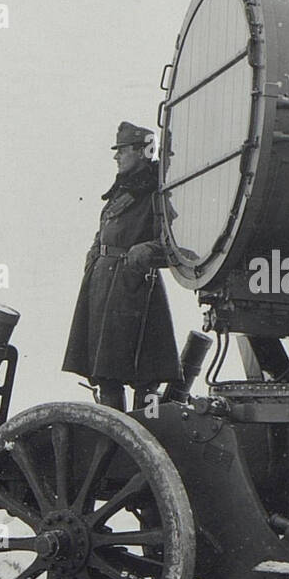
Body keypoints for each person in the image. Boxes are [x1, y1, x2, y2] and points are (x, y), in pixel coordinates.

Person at [63, 121, 182, 409]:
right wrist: (94, 252)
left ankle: (148, 431)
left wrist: (145, 252)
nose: (116, 156)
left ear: (142, 152)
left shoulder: (157, 191)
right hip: (105, 287)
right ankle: (112, 436)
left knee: (147, 375)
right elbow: (107, 228)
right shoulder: (123, 189)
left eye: (123, 150)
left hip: (135, 288)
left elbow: (177, 241)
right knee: (106, 374)